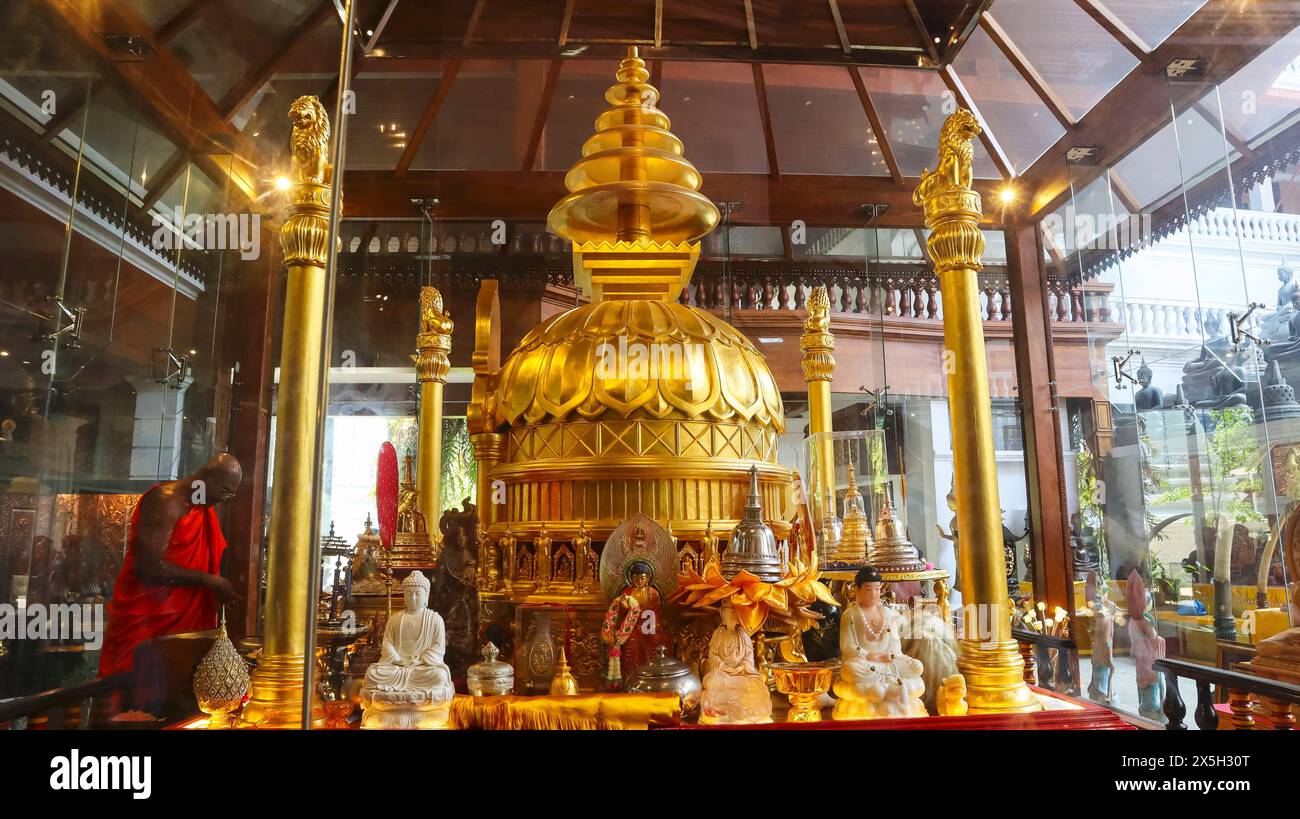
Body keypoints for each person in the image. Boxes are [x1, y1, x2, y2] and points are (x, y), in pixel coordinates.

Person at [98, 453, 242, 676]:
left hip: (182, 625)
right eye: (223, 490)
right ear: (205, 475)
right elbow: (148, 566)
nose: (224, 499)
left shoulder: (201, 510)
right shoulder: (166, 500)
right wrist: (207, 580)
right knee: (134, 694)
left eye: (230, 494)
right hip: (148, 620)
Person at [832, 565, 927, 720]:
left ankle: (889, 690)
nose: (874, 594)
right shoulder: (849, 615)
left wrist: (895, 656)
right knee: (850, 670)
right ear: (856, 590)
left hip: (889, 662)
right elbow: (848, 647)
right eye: (869, 590)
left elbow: (895, 644)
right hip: (865, 664)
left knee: (917, 667)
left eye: (877, 589)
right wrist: (872, 656)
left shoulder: (889, 614)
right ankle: (890, 691)